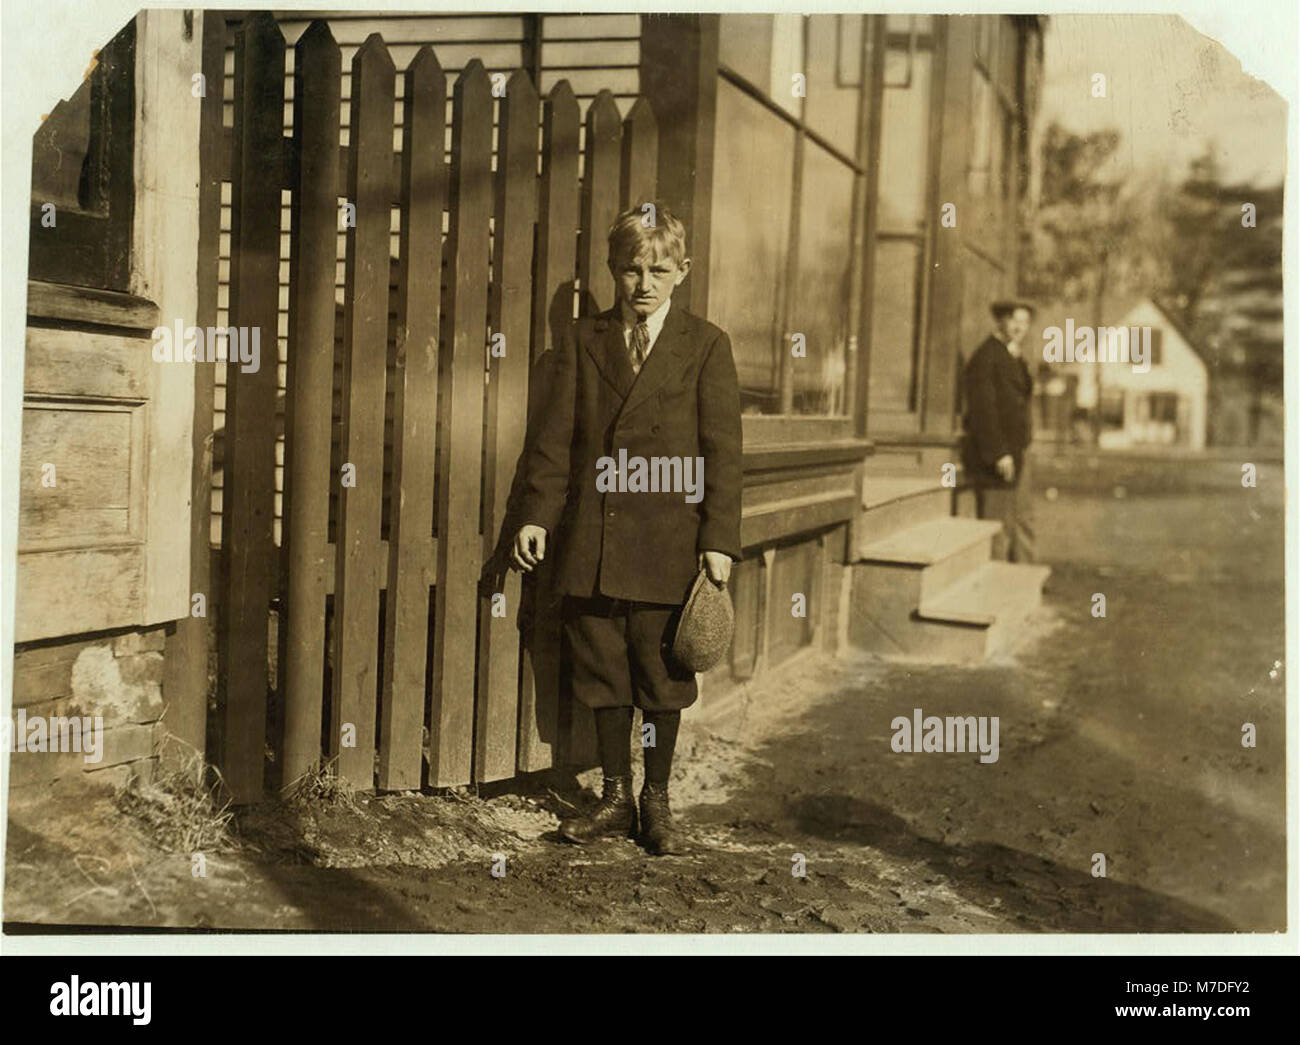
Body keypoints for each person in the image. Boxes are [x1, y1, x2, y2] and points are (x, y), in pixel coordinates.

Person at [508, 203, 743, 855]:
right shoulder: (583, 344)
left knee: (659, 673)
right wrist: (536, 517)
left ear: (682, 272)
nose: (644, 283)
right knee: (604, 669)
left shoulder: (706, 345)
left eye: (658, 269)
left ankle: (656, 798)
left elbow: (723, 450)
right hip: (595, 537)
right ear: (614, 270)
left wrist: (719, 541)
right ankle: (614, 796)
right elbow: (555, 442)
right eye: (631, 269)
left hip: (669, 543)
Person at [962, 300, 1035, 563]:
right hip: (999, 456)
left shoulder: (1011, 356)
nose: (1020, 327)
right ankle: (997, 584)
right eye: (1015, 320)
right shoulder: (986, 357)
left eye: (1025, 323)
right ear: (1001, 321)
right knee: (998, 524)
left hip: (1018, 451)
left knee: (1022, 519)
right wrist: (999, 453)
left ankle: (1025, 577)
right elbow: (983, 411)